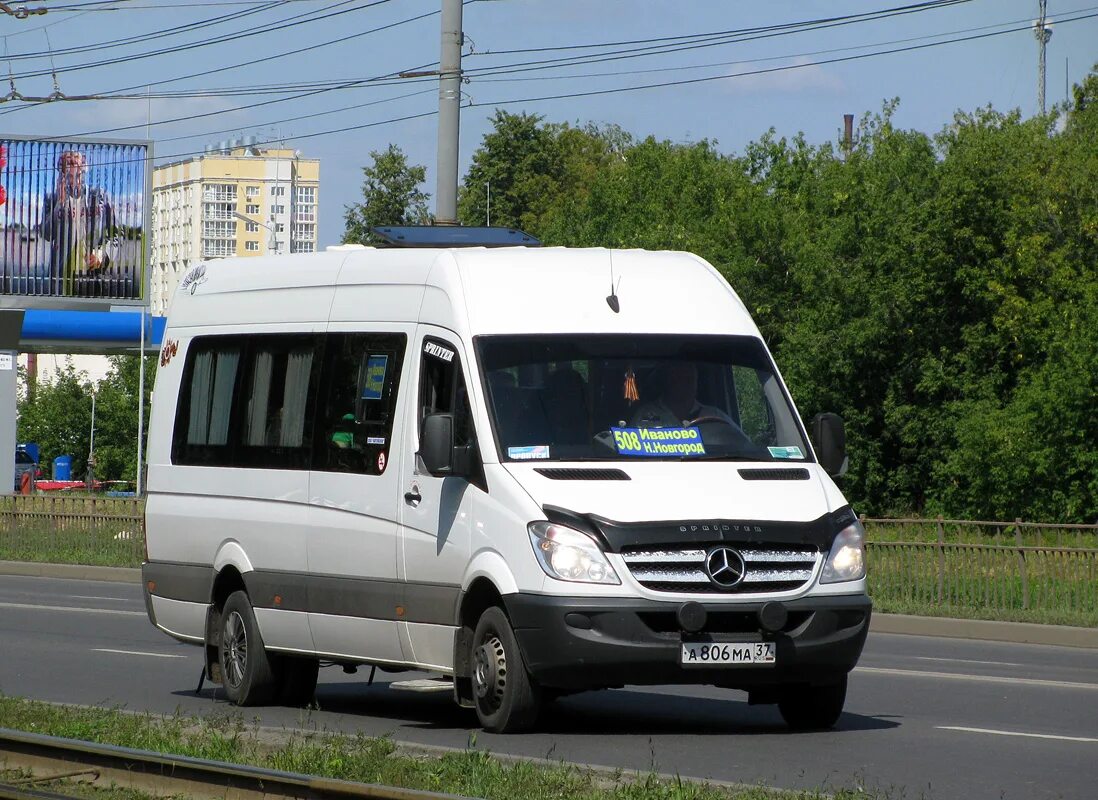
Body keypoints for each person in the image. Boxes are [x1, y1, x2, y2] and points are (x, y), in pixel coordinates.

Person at [39, 150, 114, 297]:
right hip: (61, 281)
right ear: (62, 173)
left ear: (85, 170)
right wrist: (59, 204)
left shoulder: (99, 197)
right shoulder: (51, 199)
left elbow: (116, 234)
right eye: (69, 170)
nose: (75, 179)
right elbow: (47, 234)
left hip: (92, 281)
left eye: (79, 172)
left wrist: (101, 255)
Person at [631, 362, 736, 429]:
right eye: (679, 378)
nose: (685, 384)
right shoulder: (644, 417)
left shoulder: (715, 417)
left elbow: (744, 446)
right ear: (667, 380)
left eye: (689, 378)